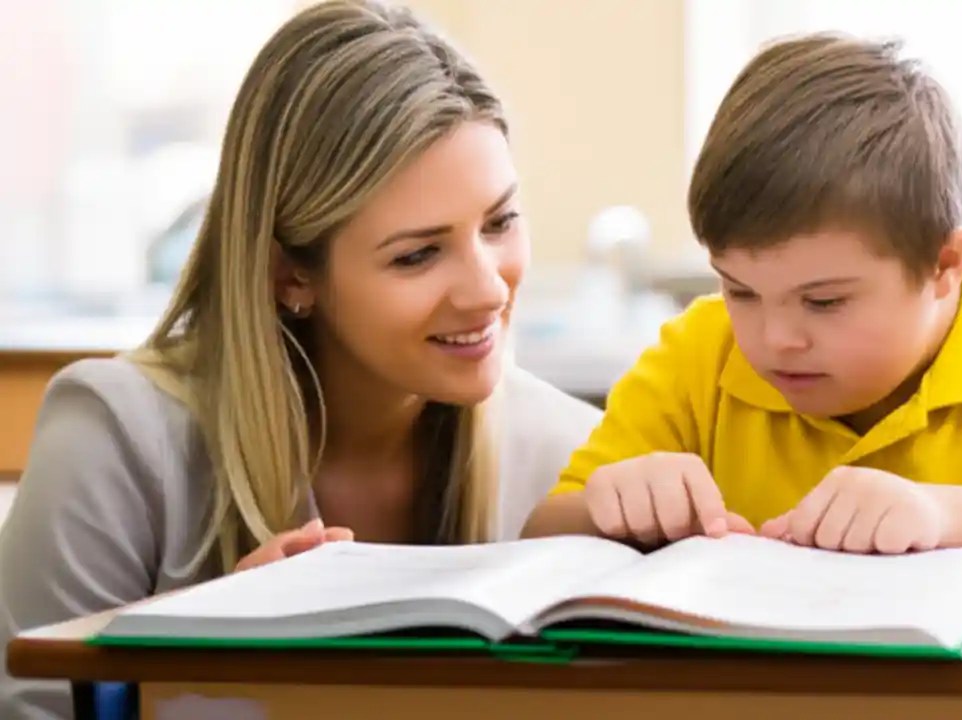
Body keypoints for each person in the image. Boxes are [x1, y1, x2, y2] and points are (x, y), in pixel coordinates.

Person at [0, 2, 600, 717]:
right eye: (417, 254)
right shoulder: (117, 441)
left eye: (500, 222)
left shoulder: (569, 462)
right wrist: (198, 663)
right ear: (290, 278)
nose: (486, 288)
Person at [522, 33, 962, 581]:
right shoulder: (700, 352)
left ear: (945, 266)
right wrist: (612, 508)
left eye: (824, 301)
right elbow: (541, 534)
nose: (775, 337)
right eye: (739, 290)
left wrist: (942, 515)